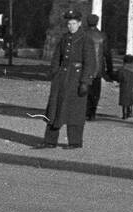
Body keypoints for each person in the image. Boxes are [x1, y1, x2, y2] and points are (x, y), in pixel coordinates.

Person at [36, 10, 96, 149]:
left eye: (74, 23)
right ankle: (50, 141)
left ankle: (75, 142)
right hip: (61, 79)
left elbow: (90, 62)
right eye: (69, 23)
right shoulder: (64, 38)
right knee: (54, 108)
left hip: (76, 79)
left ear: (79, 23)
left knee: (75, 112)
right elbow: (57, 57)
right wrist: (53, 73)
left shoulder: (85, 39)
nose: (71, 26)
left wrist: (85, 82)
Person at [84, 14, 110, 121]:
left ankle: (85, 111)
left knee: (85, 90)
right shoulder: (102, 36)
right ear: (97, 22)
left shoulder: (83, 35)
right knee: (95, 92)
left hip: (85, 68)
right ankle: (92, 113)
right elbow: (107, 54)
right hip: (98, 69)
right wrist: (109, 70)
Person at [116, 54, 133, 119]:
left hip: (124, 88)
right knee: (130, 101)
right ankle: (130, 112)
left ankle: (124, 114)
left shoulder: (122, 70)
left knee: (124, 102)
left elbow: (119, 78)